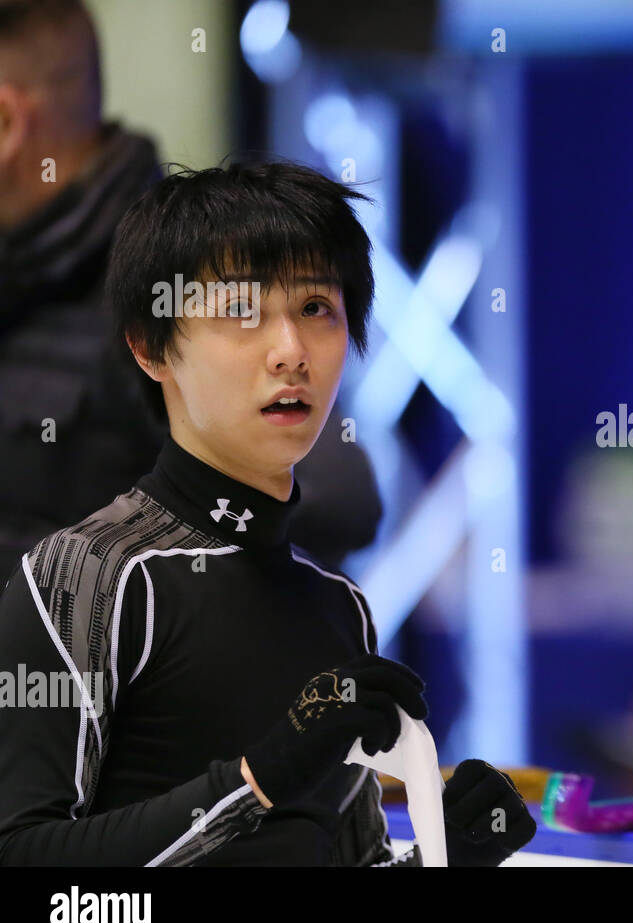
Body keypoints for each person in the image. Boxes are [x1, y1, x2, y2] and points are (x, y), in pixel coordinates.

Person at [0, 161, 535, 865]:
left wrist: (452, 854)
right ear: (150, 345)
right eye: (240, 312)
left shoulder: (341, 608)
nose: (291, 353)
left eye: (317, 307)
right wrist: (260, 778)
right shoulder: (86, 575)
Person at [0, 0, 381, 582]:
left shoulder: (179, 284)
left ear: (7, 122)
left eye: (314, 309)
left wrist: (91, 581)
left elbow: (337, 496)